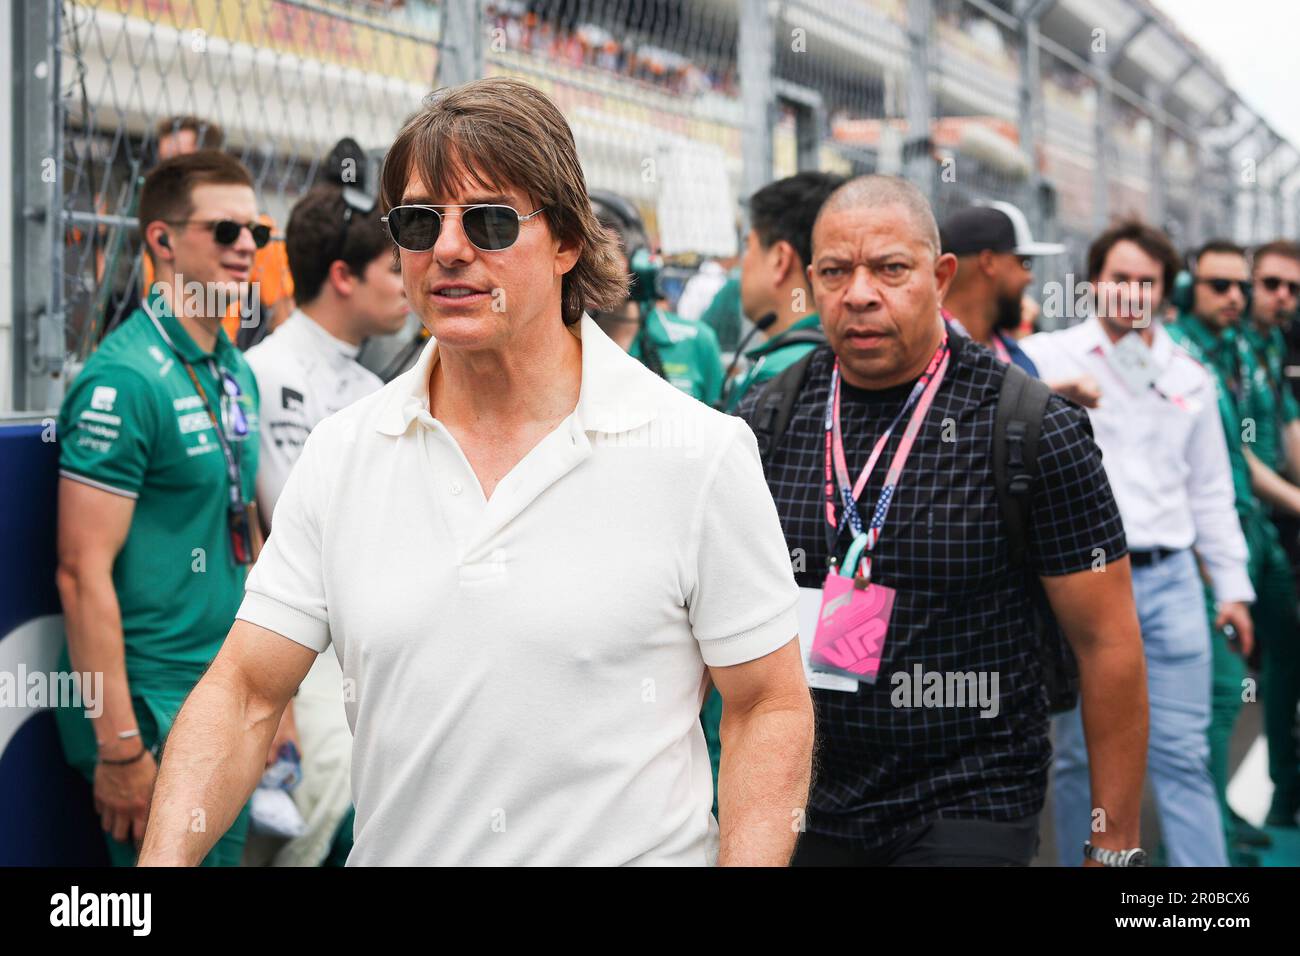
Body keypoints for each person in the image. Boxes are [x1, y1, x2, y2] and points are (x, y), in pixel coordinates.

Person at [139, 77, 814, 867]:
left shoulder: (697, 452)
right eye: (420, 221)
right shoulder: (346, 450)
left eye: (491, 219)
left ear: (566, 241)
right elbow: (248, 691)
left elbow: (767, 704)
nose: (449, 248)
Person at [738, 175, 1148, 867]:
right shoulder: (766, 419)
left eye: (891, 269)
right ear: (811, 281)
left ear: (941, 275)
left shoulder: (1030, 428)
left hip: (971, 795)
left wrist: (1113, 845)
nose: (861, 293)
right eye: (836, 272)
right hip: (811, 796)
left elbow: (1108, 644)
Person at [1020, 220, 1254, 867]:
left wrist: (1232, 589)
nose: (1131, 292)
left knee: (1184, 752)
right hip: (1080, 585)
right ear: (1095, 283)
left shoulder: (1189, 375)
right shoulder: (1045, 359)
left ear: (1163, 290)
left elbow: (1210, 489)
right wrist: (1053, 396)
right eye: (1120, 278)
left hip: (1170, 578)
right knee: (1076, 757)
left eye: (1145, 281)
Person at [53, 150, 264, 866]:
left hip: (223, 689)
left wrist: (272, 695)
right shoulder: (124, 379)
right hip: (151, 702)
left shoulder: (233, 368)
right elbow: (82, 574)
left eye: (257, 232)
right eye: (225, 229)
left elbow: (246, 531)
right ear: (162, 240)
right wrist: (118, 748)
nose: (246, 247)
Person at [241, 184, 408, 866]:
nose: (408, 283)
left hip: (366, 640)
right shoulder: (266, 371)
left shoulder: (372, 389)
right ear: (343, 277)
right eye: (393, 268)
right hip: (298, 640)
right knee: (319, 817)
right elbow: (294, 523)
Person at [1168, 241, 1300, 835]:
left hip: (1256, 527)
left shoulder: (1252, 346)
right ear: (1185, 289)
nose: (1244, 297)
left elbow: (1286, 432)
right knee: (1220, 689)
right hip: (1207, 537)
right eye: (1264, 284)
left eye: (1242, 286)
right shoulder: (1183, 353)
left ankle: (1273, 795)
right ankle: (1208, 824)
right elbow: (1236, 456)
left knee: (1285, 649)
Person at [140, 116, 295, 346]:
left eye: (178, 162)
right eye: (163, 162)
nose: (167, 174)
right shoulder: (161, 234)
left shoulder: (256, 232)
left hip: (227, 357)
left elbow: (283, 320)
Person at [588, 191, 725, 406]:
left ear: (640, 263)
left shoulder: (696, 342)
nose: (589, 274)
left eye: (604, 259)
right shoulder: (556, 349)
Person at [722, 172, 843, 412]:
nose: (741, 264)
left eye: (749, 246)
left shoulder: (779, 374)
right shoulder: (848, 352)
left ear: (780, 259)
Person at [938, 201, 1062, 376]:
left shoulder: (1018, 360)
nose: (1029, 277)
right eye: (1024, 262)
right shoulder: (920, 351)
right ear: (988, 262)